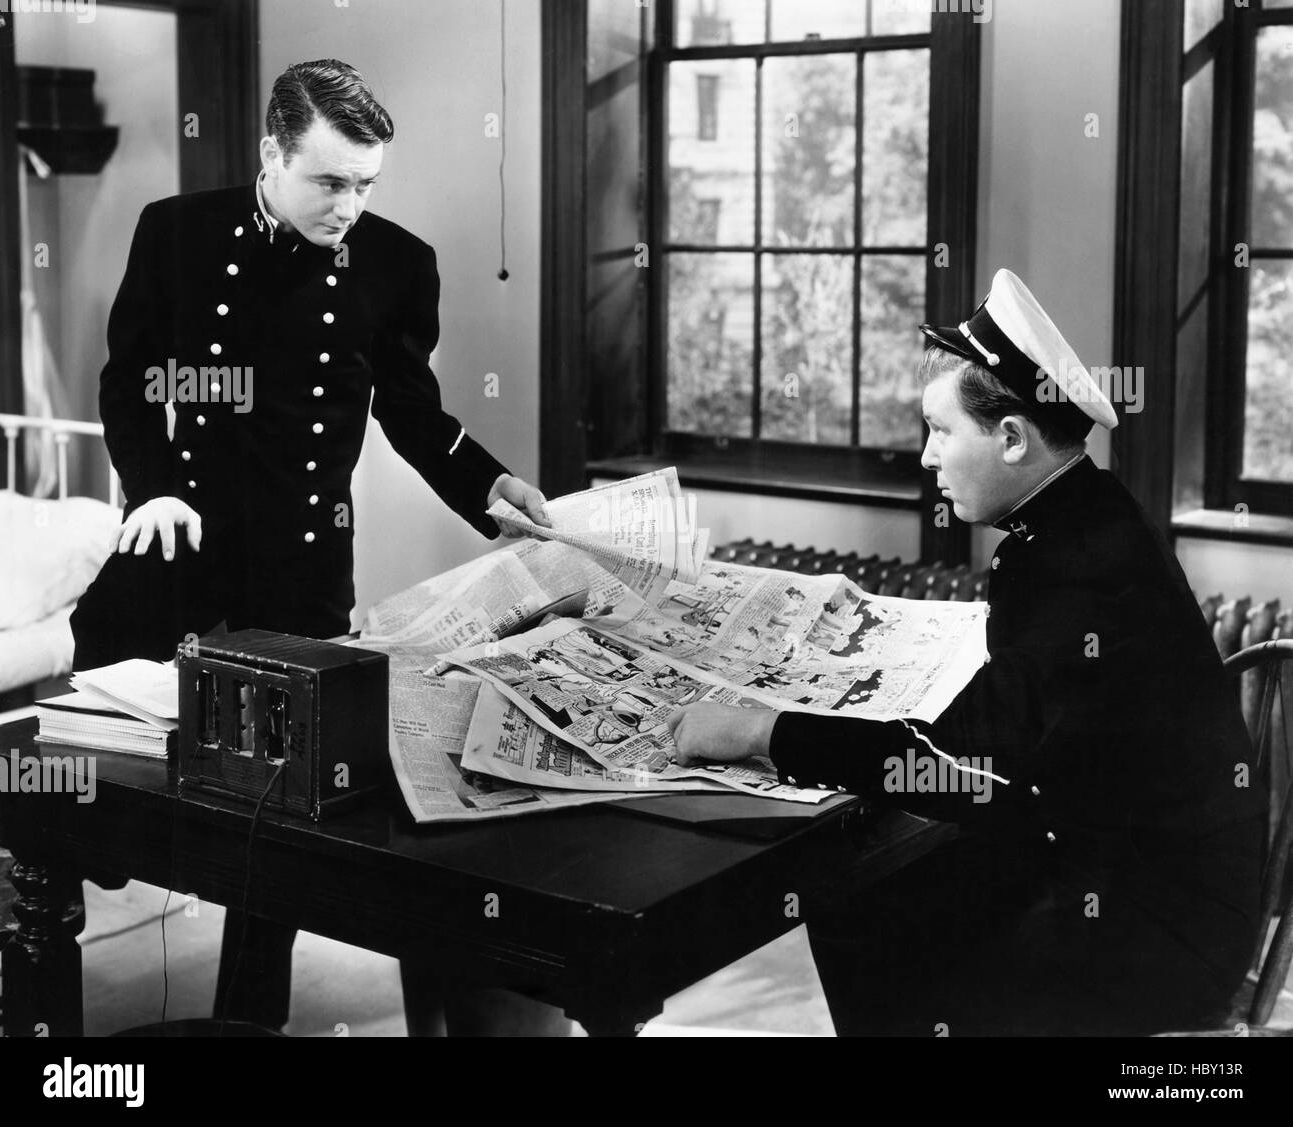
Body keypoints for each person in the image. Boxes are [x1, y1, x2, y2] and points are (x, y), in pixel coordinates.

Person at [71, 59, 564, 1035]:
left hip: (300, 582)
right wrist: (156, 486)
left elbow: (416, 416)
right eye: (328, 181)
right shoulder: (177, 233)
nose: (349, 205)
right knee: (103, 775)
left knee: (273, 833)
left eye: (366, 183)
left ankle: (247, 1021)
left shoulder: (394, 263)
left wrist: (490, 483)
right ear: (271, 153)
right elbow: (128, 384)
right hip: (183, 557)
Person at [666, 269, 1267, 1036]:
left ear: (1012, 438)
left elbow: (965, 766)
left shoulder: (1076, 568)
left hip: (1160, 931)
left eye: (940, 430)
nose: (926, 458)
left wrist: (760, 731)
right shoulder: (1080, 512)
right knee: (882, 877)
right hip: (1125, 861)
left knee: (862, 897)